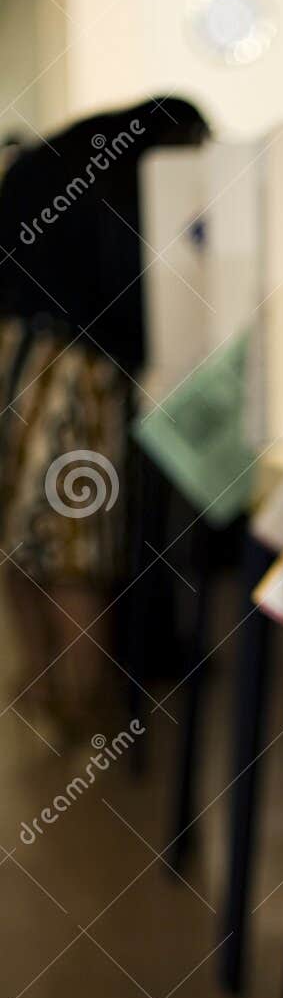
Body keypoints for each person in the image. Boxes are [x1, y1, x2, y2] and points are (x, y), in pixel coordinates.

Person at [0, 96, 209, 743]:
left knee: (19, 543)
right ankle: (85, 711)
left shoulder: (51, 159)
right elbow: (135, 287)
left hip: (11, 354)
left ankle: (43, 692)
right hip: (70, 371)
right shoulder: (130, 175)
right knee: (73, 553)